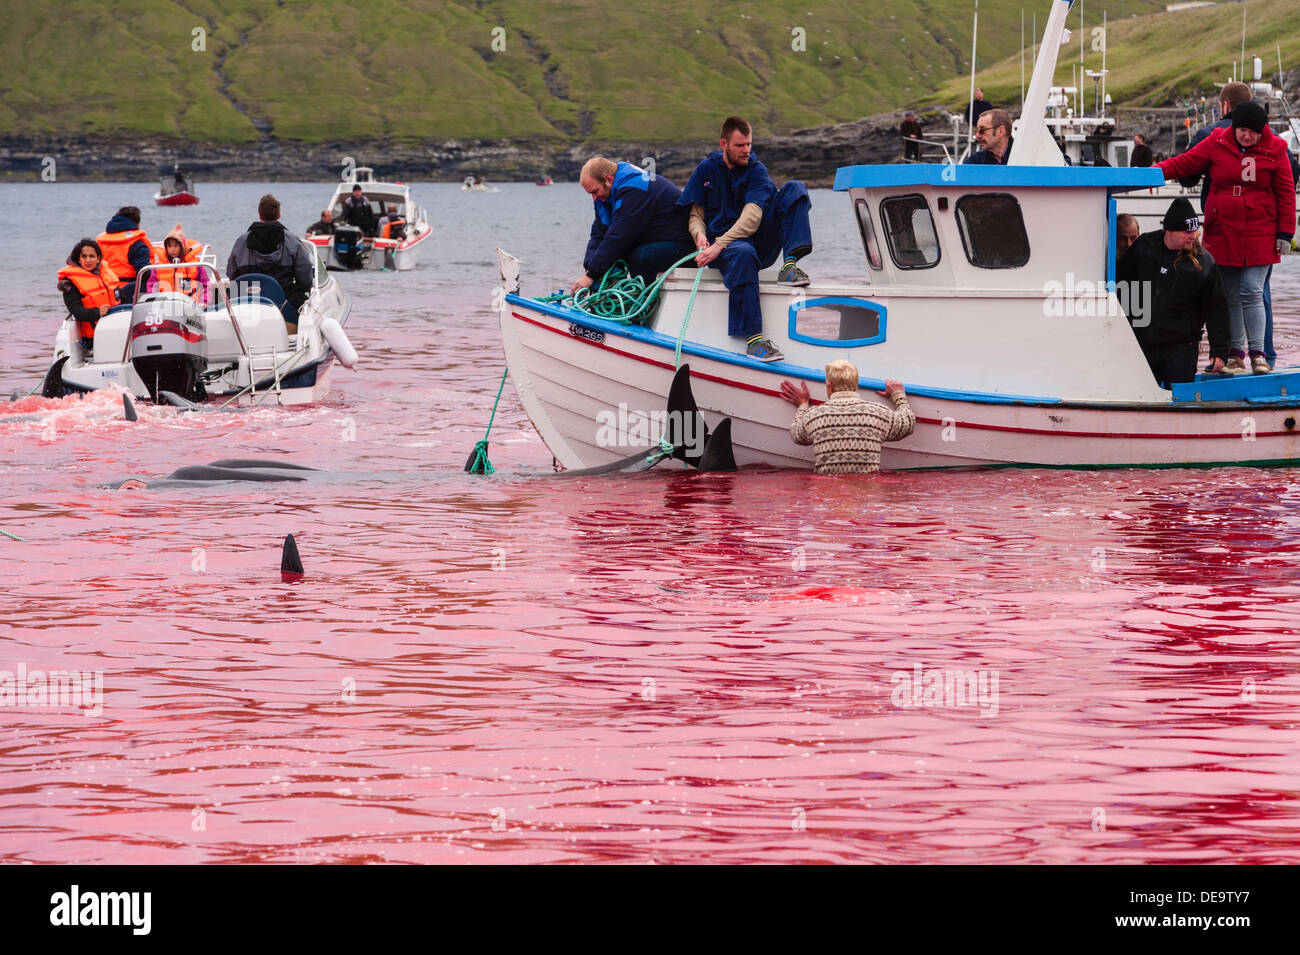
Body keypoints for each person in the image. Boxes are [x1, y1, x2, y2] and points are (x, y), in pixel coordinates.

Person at [1156, 102, 1295, 374]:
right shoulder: (1216, 142)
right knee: (1230, 295)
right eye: (1242, 130)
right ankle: (1235, 354)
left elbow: (1287, 193)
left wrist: (1285, 233)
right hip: (1223, 233)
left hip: (1261, 232)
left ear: (1261, 131)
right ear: (1234, 126)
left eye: (1252, 132)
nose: (1246, 136)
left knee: (1252, 291)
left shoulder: (1277, 149)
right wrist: (1153, 172)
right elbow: (1185, 163)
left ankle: (1259, 354)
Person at [678, 116, 814, 363]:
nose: (747, 150)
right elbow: (696, 214)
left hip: (753, 242)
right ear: (724, 144)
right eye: (740, 145)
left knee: (795, 188)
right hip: (730, 252)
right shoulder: (705, 170)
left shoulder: (756, 170)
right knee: (742, 252)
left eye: (749, 144)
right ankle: (754, 340)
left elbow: (752, 218)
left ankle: (790, 265)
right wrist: (699, 236)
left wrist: (719, 245)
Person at [1116, 198, 1232, 387]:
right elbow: (1121, 282)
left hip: (1181, 348)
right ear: (1169, 230)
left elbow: (1217, 309)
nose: (1192, 236)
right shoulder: (1144, 245)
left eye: (1195, 230)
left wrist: (1219, 352)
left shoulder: (1204, 263)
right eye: (1186, 231)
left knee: (1179, 400)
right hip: (1143, 343)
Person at [570, 157, 693, 295]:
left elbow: (619, 236)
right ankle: (608, 302)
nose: (594, 198)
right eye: (590, 193)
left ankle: (644, 305)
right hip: (654, 239)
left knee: (638, 257)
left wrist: (591, 275)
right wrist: (589, 269)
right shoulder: (604, 194)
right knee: (606, 262)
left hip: (683, 247)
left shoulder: (634, 188)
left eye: (594, 191)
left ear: (608, 179)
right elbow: (598, 234)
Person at [779, 359, 915, 474]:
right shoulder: (878, 413)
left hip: (826, 492)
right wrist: (898, 394)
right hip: (867, 491)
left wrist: (803, 405)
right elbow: (907, 423)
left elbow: (797, 435)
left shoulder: (813, 416)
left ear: (830, 387)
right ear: (855, 385)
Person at [227, 194, 315, 313]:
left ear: (259, 214)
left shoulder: (241, 242)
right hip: (283, 307)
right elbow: (305, 280)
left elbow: (232, 274)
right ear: (279, 215)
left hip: (248, 307)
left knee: (226, 292)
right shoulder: (293, 241)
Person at [56, 239, 119, 357]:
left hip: (118, 329)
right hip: (93, 339)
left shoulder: (106, 274)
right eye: (84, 257)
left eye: (92, 256)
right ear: (78, 259)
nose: (88, 260)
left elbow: (121, 297)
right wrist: (98, 312)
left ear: (98, 258)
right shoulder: (69, 283)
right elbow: (76, 310)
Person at [96, 206, 155, 303]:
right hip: (127, 292)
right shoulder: (137, 244)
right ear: (137, 223)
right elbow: (144, 272)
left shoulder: (102, 242)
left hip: (104, 289)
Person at [151, 223, 210, 303]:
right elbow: (151, 287)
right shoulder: (158, 267)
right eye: (169, 246)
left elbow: (206, 285)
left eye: (175, 246)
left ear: (182, 247)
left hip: (191, 305)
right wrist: (153, 302)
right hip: (165, 305)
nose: (172, 249)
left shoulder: (195, 265)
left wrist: (204, 302)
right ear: (166, 247)